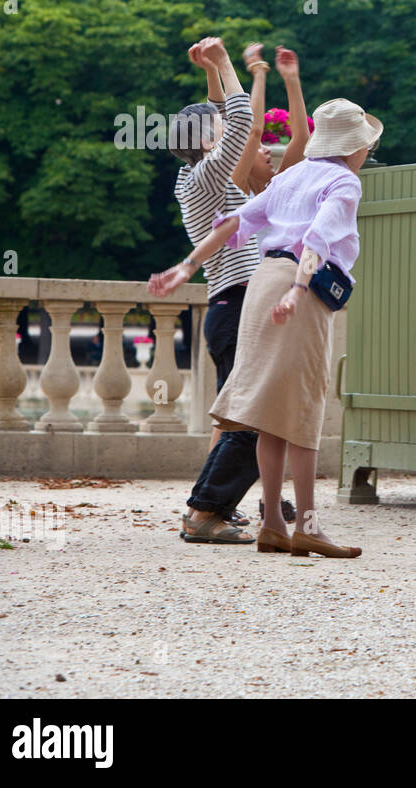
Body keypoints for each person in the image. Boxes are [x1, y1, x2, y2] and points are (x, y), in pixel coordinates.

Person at [150, 96, 381, 559]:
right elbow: (317, 238)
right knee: (303, 407)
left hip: (260, 284)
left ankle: (274, 523)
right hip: (301, 285)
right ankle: (309, 526)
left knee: (269, 414)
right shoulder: (344, 182)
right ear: (356, 148)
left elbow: (236, 223)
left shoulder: (291, 175)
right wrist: (298, 290)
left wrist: (186, 266)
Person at [170, 38, 307, 544]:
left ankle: (215, 507)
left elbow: (224, 118)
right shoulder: (207, 177)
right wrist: (232, 63)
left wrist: (211, 70)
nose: (232, 132)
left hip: (235, 307)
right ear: (208, 143)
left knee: (240, 417)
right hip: (236, 306)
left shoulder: (207, 179)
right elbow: (242, 122)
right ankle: (206, 510)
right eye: (218, 131)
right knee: (251, 418)